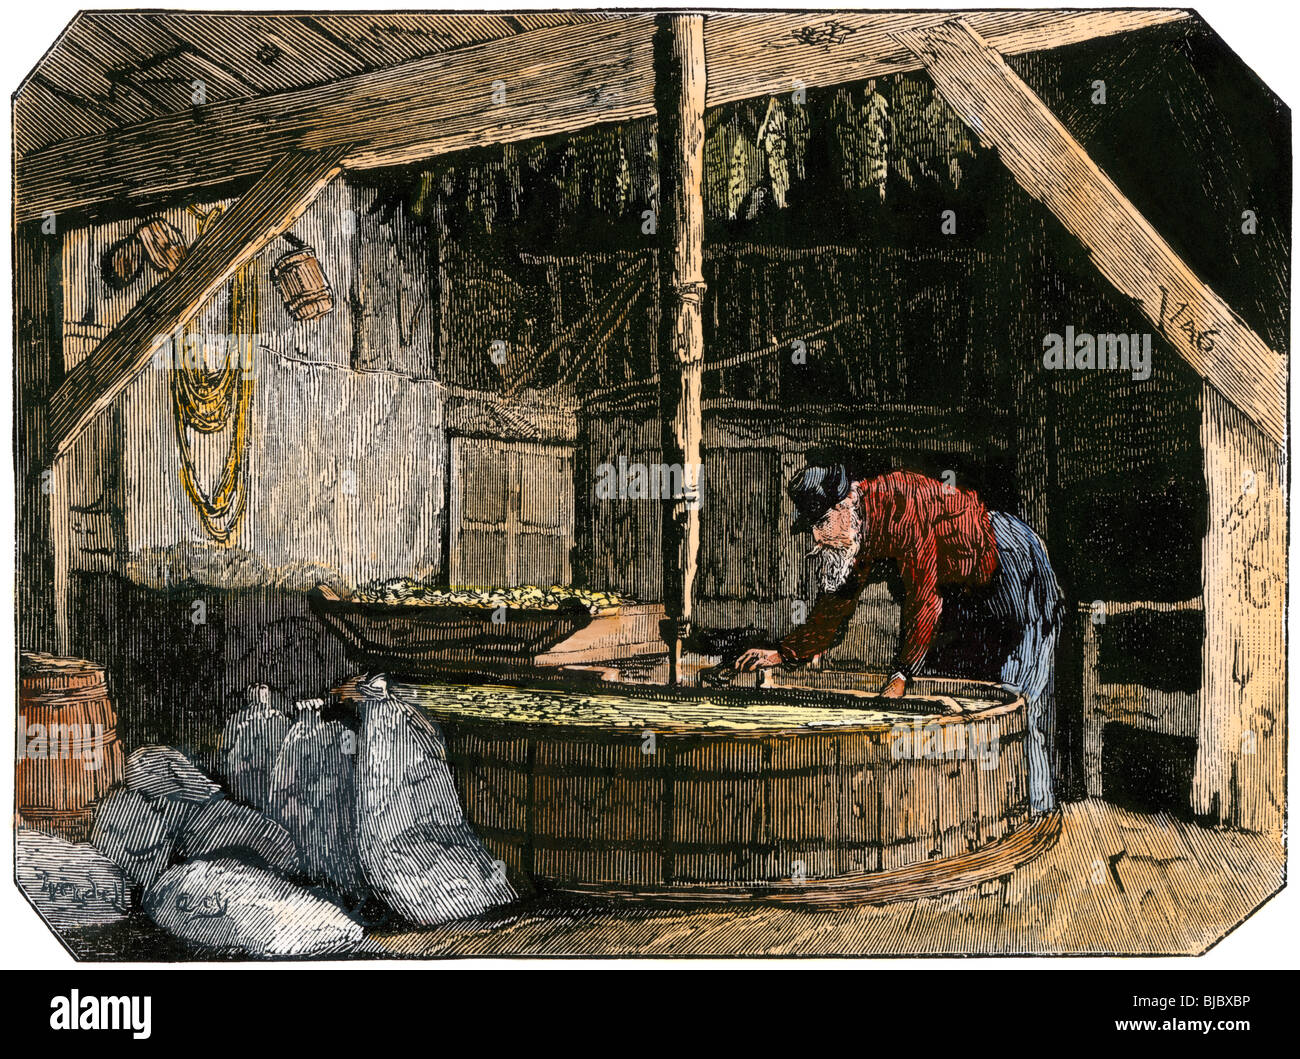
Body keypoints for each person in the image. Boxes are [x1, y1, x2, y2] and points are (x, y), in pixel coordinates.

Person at [735, 464, 1063, 811]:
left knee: (1018, 698)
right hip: (966, 592)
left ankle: (1036, 810)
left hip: (1010, 561)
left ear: (847, 503)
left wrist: (901, 675)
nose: (817, 538)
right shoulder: (857, 530)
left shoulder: (901, 505)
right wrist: (785, 654)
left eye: (821, 523)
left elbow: (924, 597)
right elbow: (837, 602)